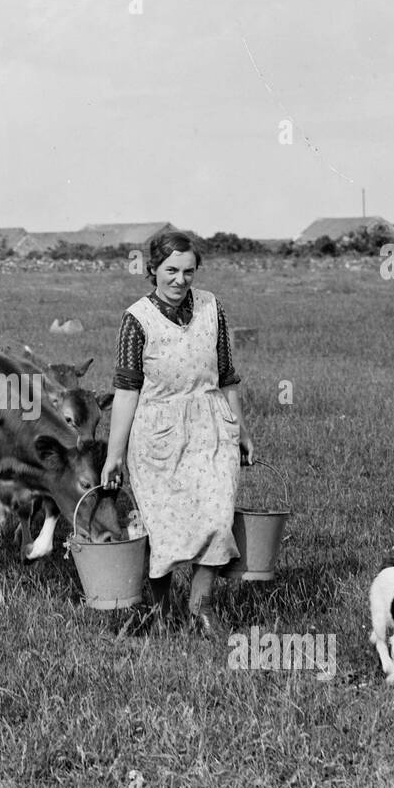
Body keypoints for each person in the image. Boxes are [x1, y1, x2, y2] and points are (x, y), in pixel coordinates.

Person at [100, 230, 253, 630]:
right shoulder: (136, 320)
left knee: (218, 522)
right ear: (152, 270)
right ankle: (162, 611)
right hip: (156, 436)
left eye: (188, 271)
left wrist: (241, 430)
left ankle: (199, 607)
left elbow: (227, 376)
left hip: (212, 429)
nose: (179, 280)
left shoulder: (211, 308)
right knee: (163, 530)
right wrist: (114, 454)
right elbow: (126, 392)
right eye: (170, 270)